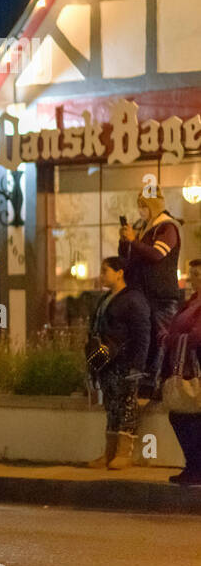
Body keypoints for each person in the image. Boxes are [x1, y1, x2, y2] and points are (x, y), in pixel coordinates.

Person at [85, 257, 151, 471]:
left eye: (105, 270)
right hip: (105, 360)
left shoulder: (132, 299)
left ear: (120, 272)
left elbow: (143, 334)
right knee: (111, 406)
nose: (101, 275)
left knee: (127, 405)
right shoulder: (105, 298)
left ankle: (124, 452)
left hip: (124, 361)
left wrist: (138, 365)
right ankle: (109, 453)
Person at [119, 194, 183, 395]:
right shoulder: (146, 230)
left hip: (161, 295)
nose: (140, 211)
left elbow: (156, 254)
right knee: (147, 341)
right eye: (139, 206)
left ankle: (158, 385)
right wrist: (126, 242)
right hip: (145, 296)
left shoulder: (167, 228)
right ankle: (147, 384)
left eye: (143, 206)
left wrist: (133, 241)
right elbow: (130, 259)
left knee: (161, 340)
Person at [162, 259, 201, 485]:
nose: (194, 277)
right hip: (186, 365)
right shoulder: (191, 301)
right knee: (181, 414)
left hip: (196, 365)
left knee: (190, 417)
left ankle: (196, 468)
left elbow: (196, 335)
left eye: (198, 273)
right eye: (192, 273)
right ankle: (193, 466)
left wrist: (175, 338)